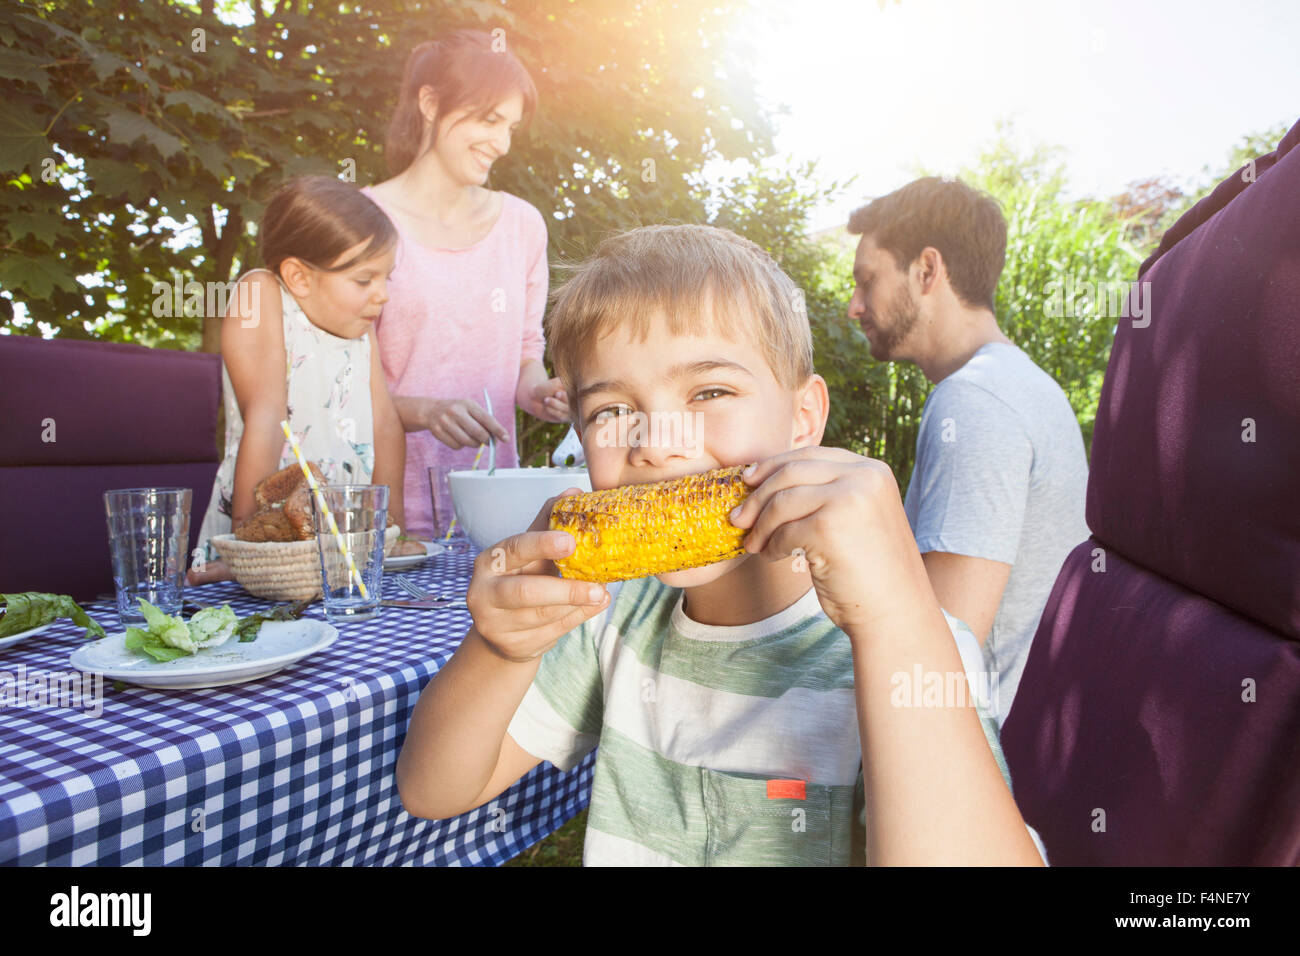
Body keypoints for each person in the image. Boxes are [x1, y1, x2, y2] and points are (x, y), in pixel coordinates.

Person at [396, 224, 1047, 866]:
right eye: (610, 411)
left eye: (709, 392)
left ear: (803, 419)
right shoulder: (611, 618)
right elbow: (434, 789)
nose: (654, 442)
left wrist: (897, 622)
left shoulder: (911, 646)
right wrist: (500, 651)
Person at [845, 177, 1089, 726]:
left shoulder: (975, 402)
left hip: (985, 763)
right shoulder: (1020, 383)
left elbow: (938, 657)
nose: (855, 306)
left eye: (867, 281)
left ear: (926, 271)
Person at [362, 30, 569, 541]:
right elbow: (342, 386)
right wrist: (425, 412)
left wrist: (540, 392)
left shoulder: (522, 226)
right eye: (488, 119)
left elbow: (524, 355)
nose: (501, 144)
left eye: (512, 127)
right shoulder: (363, 219)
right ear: (430, 103)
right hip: (385, 513)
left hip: (493, 511)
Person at [191, 177, 424, 582]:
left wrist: (393, 532)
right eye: (365, 280)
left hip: (338, 545)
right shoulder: (259, 295)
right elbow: (267, 417)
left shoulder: (358, 326)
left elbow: (385, 423)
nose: (382, 295)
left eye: (387, 278)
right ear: (299, 277)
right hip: (262, 536)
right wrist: (252, 547)